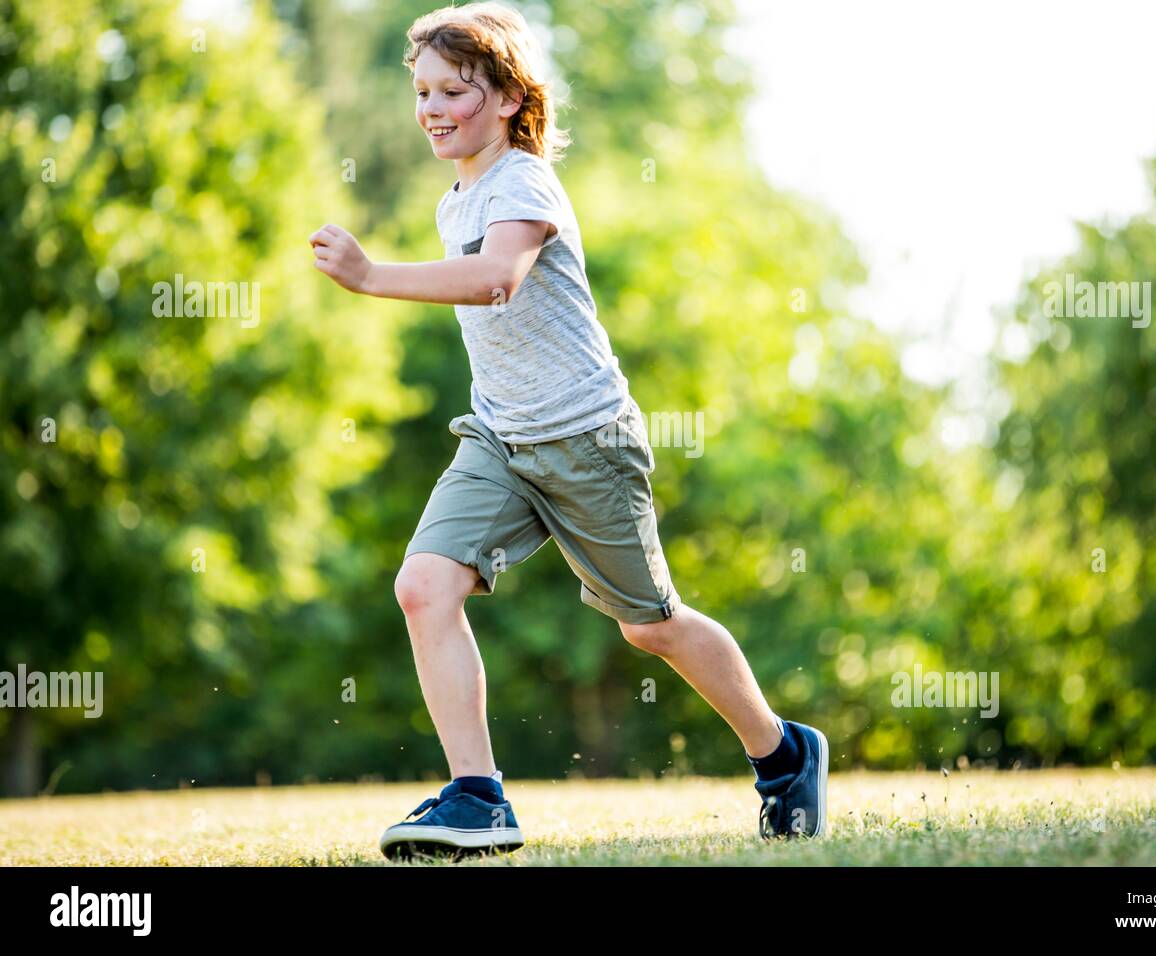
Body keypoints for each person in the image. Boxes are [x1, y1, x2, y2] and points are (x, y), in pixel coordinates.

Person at [308, 1, 827, 860]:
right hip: (501, 442)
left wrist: (369, 276)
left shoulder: (523, 182)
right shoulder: (456, 196)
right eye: (423, 92)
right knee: (422, 586)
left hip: (588, 441)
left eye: (453, 91)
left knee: (650, 626)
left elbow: (495, 281)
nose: (432, 109)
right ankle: (479, 798)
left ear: (509, 97)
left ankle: (782, 753)